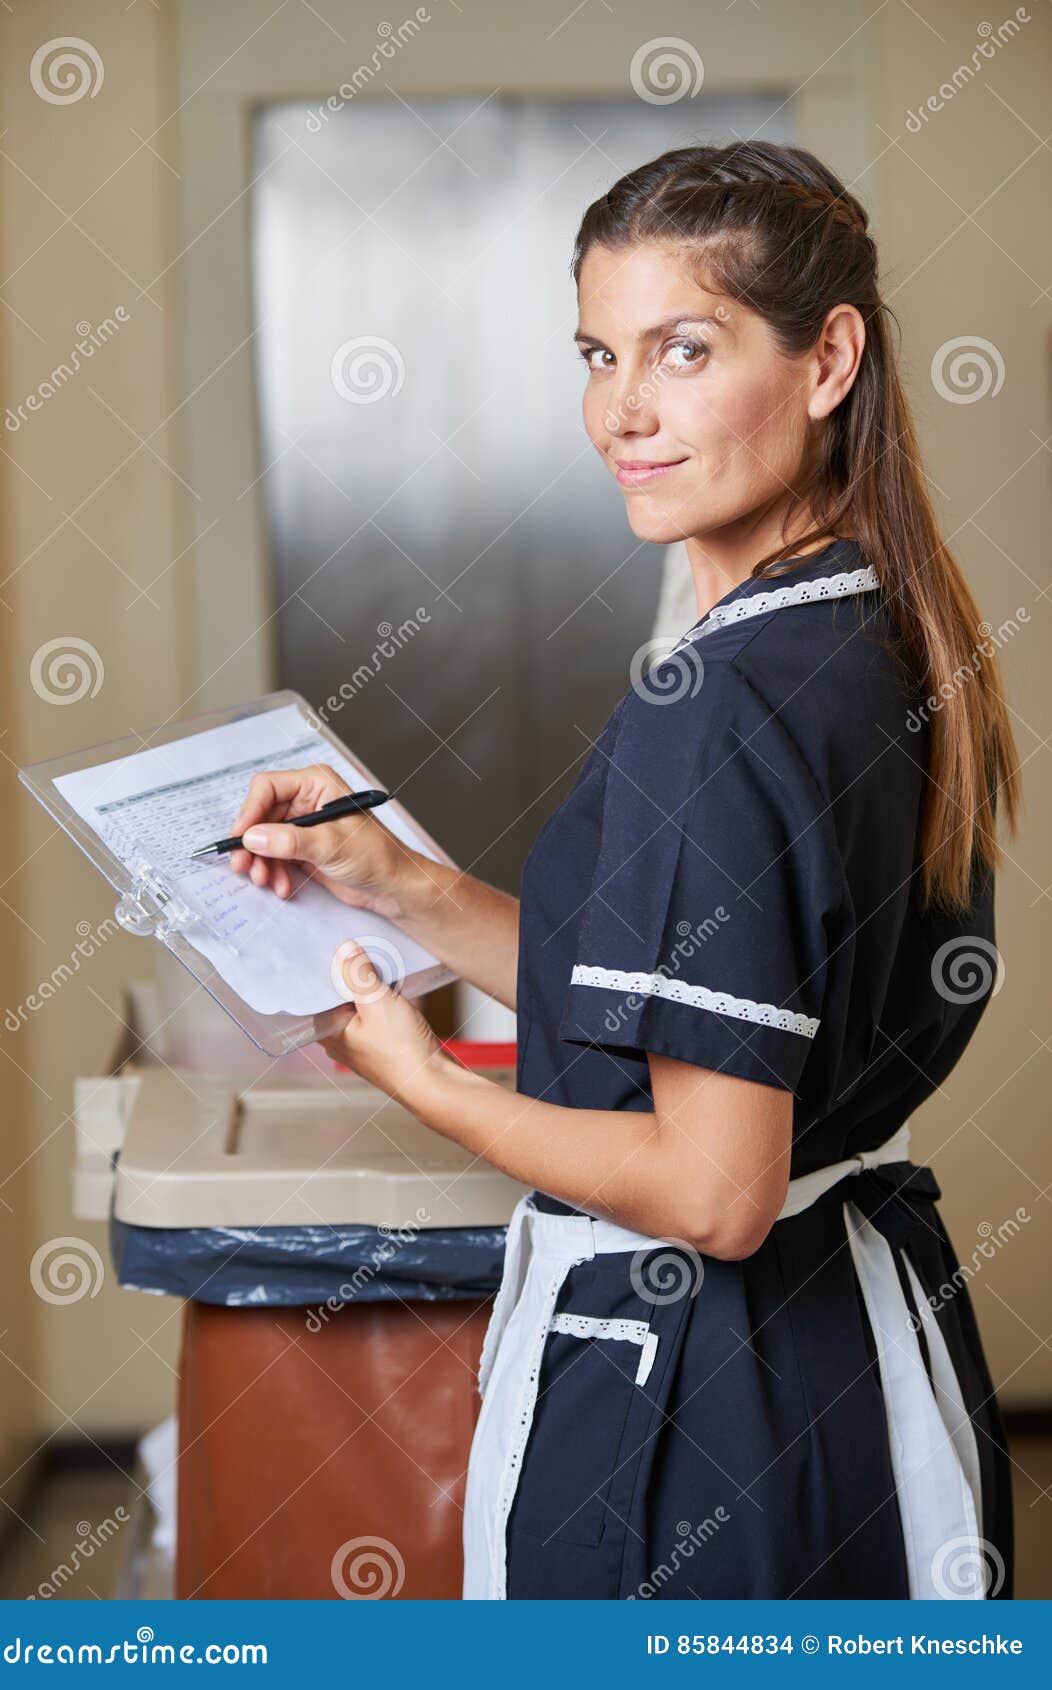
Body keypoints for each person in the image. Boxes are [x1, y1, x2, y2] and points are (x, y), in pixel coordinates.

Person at [227, 141, 1019, 1601]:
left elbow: (716, 1190)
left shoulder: (721, 703)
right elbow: (695, 1001)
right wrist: (398, 881)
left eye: (685, 349)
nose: (622, 411)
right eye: (599, 352)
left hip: (705, 1414)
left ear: (829, 357)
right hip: (848, 1362)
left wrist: (429, 1083)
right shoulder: (871, 638)